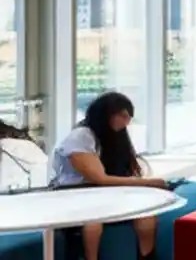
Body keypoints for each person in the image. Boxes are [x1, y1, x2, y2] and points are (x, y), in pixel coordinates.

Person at [50, 92, 168, 260]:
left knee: (146, 215)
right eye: (123, 115)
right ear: (107, 114)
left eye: (129, 117)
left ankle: (147, 256)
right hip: (75, 194)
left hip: (104, 194)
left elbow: (122, 172)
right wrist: (146, 183)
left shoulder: (115, 137)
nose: (127, 121)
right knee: (93, 223)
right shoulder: (81, 136)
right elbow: (99, 178)